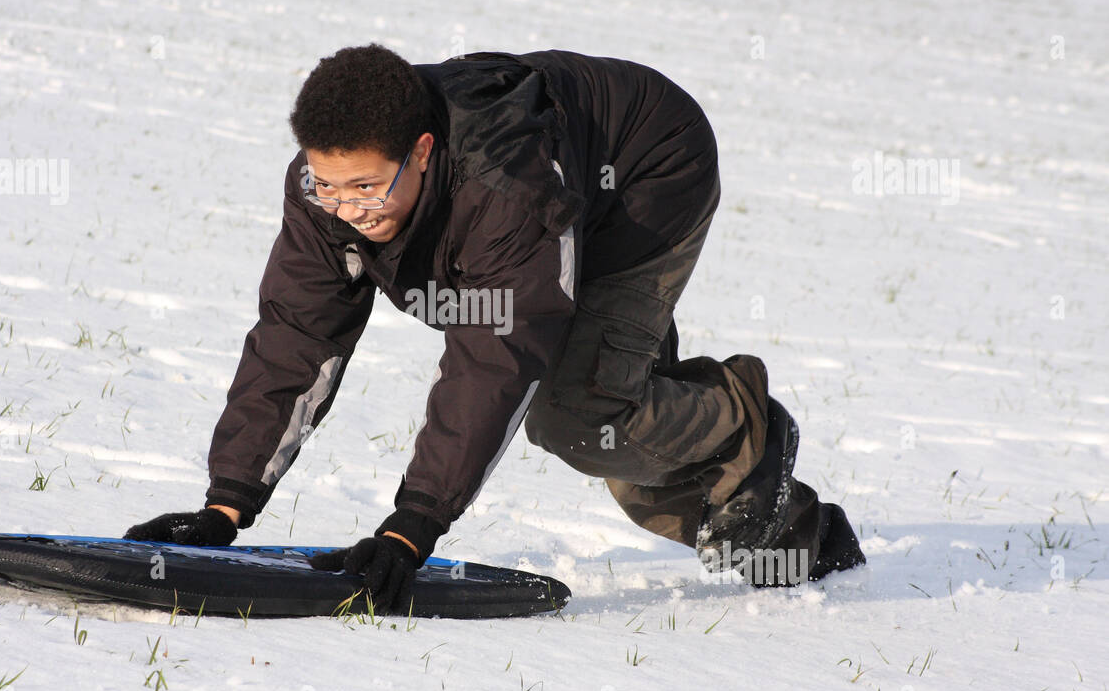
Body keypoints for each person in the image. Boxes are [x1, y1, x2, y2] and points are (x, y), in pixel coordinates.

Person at [124, 44, 866, 609]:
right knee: (617, 440)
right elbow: (296, 335)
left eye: (367, 187)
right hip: (570, 182)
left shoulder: (506, 191)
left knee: (579, 415)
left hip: (645, 179)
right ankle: (795, 536)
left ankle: (741, 423)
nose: (349, 208)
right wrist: (228, 504)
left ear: (421, 151)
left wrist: (412, 526)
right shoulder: (326, 194)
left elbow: (496, 355)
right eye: (329, 185)